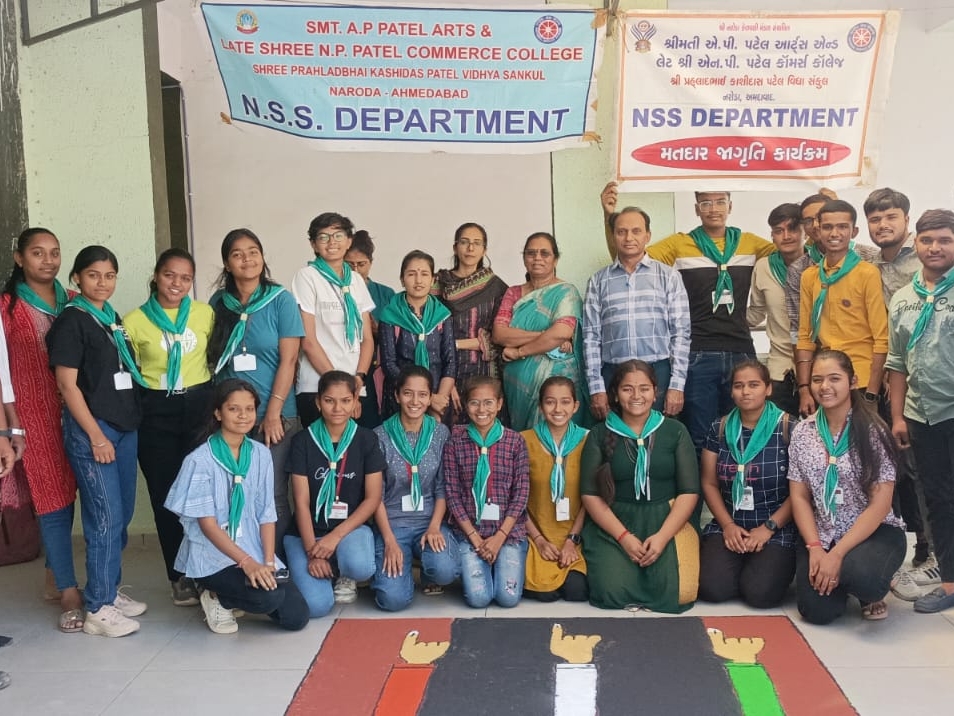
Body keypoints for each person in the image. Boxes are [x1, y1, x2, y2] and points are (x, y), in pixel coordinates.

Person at [604, 185, 775, 454]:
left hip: (741, 350)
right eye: (705, 203)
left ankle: (735, 494)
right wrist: (609, 217)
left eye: (720, 201)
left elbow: (792, 255)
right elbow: (628, 256)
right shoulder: (679, 244)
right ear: (696, 209)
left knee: (744, 433)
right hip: (698, 353)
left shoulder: (751, 243)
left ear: (730, 205)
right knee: (701, 436)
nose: (713, 208)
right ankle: (697, 497)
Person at [46, 246, 146, 637]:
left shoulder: (111, 317)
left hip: (123, 428)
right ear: (76, 278)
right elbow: (66, 385)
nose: (101, 282)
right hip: (95, 431)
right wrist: (96, 435)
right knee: (103, 520)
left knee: (118, 518)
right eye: (93, 275)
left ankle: (106, 590)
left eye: (109, 275)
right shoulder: (73, 321)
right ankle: (98, 609)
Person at [164, 379, 309, 633]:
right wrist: (247, 563)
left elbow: (266, 512)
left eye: (250, 409)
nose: (243, 416)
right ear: (218, 413)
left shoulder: (260, 453)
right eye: (233, 409)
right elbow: (207, 525)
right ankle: (214, 595)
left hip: (252, 547)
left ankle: (238, 592)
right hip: (213, 554)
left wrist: (267, 561)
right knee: (268, 598)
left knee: (296, 617)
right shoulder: (200, 460)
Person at [1, 228, 81, 632]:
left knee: (69, 492)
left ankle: (54, 575)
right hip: (31, 416)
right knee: (51, 498)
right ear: (19, 258)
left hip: (76, 412)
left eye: (55, 252)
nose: (48, 260)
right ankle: (67, 590)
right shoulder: (7, 307)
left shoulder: (73, 301)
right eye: (37, 253)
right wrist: (8, 424)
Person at [124, 248, 214, 607]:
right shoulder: (133, 322)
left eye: (185, 278)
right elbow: (129, 372)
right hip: (156, 410)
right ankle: (178, 576)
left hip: (199, 406)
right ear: (156, 276)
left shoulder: (205, 314)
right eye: (169, 275)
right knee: (167, 497)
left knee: (203, 493)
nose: (177, 283)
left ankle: (208, 571)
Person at [788, 350, 905, 624]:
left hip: (872, 532)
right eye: (817, 380)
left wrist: (837, 555)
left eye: (834, 379)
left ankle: (871, 585)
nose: (824, 387)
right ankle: (840, 578)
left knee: (864, 578)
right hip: (823, 532)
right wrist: (816, 548)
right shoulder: (803, 432)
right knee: (816, 612)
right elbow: (800, 496)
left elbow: (881, 504)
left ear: (852, 381)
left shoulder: (873, 430)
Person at [208, 229, 304, 557]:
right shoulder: (219, 303)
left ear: (262, 258)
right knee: (235, 491)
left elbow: (290, 360)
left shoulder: (281, 300)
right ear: (227, 263)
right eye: (237, 254)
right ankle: (240, 561)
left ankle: (273, 563)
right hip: (233, 417)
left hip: (274, 416)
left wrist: (274, 412)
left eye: (253, 252)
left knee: (272, 494)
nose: (247, 259)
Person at [580, 360, 700, 613]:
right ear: (615, 394)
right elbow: (590, 495)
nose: (637, 396)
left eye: (644, 388)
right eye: (627, 389)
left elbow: (689, 492)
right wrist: (624, 538)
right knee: (611, 592)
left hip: (666, 520)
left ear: (655, 392)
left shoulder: (675, 431)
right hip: (617, 522)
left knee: (677, 594)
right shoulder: (599, 434)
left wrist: (662, 537)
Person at [863, 189, 935, 599]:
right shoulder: (869, 263)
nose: (883, 225)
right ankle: (903, 551)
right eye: (875, 219)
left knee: (921, 473)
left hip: (926, 382)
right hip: (890, 377)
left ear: (907, 220)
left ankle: (930, 552)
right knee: (893, 469)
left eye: (891, 217)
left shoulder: (924, 263)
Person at [888, 209, 954, 613]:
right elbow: (897, 364)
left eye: (944, 240)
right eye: (928, 240)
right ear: (917, 243)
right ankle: (948, 583)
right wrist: (897, 416)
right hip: (920, 414)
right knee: (937, 500)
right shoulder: (904, 297)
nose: (935, 247)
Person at [699, 360, 797, 608]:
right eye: (739, 386)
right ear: (731, 391)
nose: (745, 392)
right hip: (731, 523)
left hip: (775, 524)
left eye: (754, 385)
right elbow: (709, 483)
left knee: (760, 596)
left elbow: (801, 490)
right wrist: (728, 525)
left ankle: (765, 566)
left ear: (768, 389)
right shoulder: (719, 428)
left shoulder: (789, 427)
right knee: (712, 589)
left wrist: (769, 527)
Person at [284, 371, 383, 614]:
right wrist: (312, 553)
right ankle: (321, 564)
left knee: (360, 566)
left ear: (355, 401)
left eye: (345, 401)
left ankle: (342, 570)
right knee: (317, 606)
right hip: (306, 534)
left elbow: (372, 499)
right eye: (329, 400)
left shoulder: (366, 439)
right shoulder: (302, 441)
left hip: (348, 529)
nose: (337, 408)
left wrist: (334, 537)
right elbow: (301, 501)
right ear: (318, 402)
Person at [583, 207, 690, 420]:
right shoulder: (598, 281)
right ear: (613, 236)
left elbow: (681, 334)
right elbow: (591, 338)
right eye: (621, 232)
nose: (628, 238)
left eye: (636, 231)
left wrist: (676, 385)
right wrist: (596, 388)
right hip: (613, 373)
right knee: (614, 443)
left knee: (658, 442)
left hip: (657, 372)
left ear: (647, 236)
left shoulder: (668, 277)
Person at [371, 365, 458, 611]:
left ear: (431, 397)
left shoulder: (440, 433)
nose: (415, 401)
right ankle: (403, 567)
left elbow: (442, 487)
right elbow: (375, 496)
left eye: (422, 394)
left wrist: (434, 527)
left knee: (445, 570)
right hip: (393, 524)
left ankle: (429, 569)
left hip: (429, 521)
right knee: (392, 600)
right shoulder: (379, 436)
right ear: (397, 396)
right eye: (408, 393)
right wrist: (388, 540)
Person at [795, 200, 888, 416]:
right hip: (825, 380)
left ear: (853, 231)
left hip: (861, 379)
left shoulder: (867, 273)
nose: (834, 233)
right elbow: (805, 336)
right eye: (827, 227)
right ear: (817, 231)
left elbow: (881, 338)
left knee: (864, 447)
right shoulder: (810, 277)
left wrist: (872, 394)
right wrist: (804, 389)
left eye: (842, 227)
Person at [443, 376, 529, 608]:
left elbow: (521, 493)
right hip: (470, 534)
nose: (482, 410)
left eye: (489, 402)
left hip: (507, 534)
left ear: (500, 404)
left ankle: (501, 559)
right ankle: (480, 562)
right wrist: (474, 537)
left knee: (508, 597)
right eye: (474, 403)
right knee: (479, 599)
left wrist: (500, 537)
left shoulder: (515, 441)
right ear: (465, 404)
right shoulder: (455, 441)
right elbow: (452, 493)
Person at [494, 232, 586, 431]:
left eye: (544, 253)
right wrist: (546, 336)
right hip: (518, 385)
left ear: (556, 259)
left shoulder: (566, 292)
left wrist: (518, 351)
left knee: (558, 438)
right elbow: (500, 334)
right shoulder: (513, 292)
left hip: (556, 382)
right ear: (524, 258)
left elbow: (562, 332)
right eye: (531, 253)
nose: (537, 258)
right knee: (527, 444)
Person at [293, 212, 375, 428]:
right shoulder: (307, 277)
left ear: (349, 241)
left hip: (355, 388)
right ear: (313, 244)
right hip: (318, 388)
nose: (332, 243)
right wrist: (339, 390)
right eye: (323, 237)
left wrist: (358, 379)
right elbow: (308, 341)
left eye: (338, 236)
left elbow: (366, 338)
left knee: (354, 457)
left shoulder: (356, 280)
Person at [785, 192, 880, 354]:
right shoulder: (799, 270)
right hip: (822, 358)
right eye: (809, 220)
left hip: (864, 355)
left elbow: (880, 322)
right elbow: (800, 328)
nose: (815, 224)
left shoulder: (870, 258)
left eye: (819, 217)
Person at [433, 223, 508, 423]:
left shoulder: (496, 287)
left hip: (483, 370)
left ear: (485, 249)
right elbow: (427, 332)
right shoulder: (437, 285)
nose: (470, 248)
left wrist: (456, 344)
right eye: (464, 242)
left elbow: (501, 337)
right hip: (444, 367)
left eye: (477, 243)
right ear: (455, 247)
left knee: (484, 424)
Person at [522, 376, 589, 602]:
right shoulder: (523, 441)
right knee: (545, 593)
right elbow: (515, 500)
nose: (558, 409)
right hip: (535, 535)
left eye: (565, 402)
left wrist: (572, 540)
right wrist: (539, 539)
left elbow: (591, 498)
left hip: (574, 537)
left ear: (576, 406)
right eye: (550, 402)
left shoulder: (588, 441)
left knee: (576, 591)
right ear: (541, 406)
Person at [377, 251, 456, 423]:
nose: (418, 280)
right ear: (402, 279)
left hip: (437, 397)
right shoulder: (390, 315)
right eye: (411, 274)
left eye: (424, 274)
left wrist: (437, 398)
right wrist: (418, 396)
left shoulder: (443, 315)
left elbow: (450, 361)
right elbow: (388, 364)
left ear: (433, 280)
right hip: (402, 398)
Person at [747, 204, 804, 414]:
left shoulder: (819, 265)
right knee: (781, 435)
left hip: (817, 367)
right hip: (780, 369)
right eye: (779, 231)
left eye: (793, 229)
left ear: (804, 231)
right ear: (772, 236)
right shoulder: (764, 267)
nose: (786, 236)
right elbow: (755, 313)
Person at [344, 230, 395, 428]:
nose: (355, 270)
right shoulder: (334, 292)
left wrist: (378, 329)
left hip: (377, 368)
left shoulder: (385, 294)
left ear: (371, 263)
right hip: (345, 364)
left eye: (361, 264)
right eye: (350, 264)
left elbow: (398, 334)